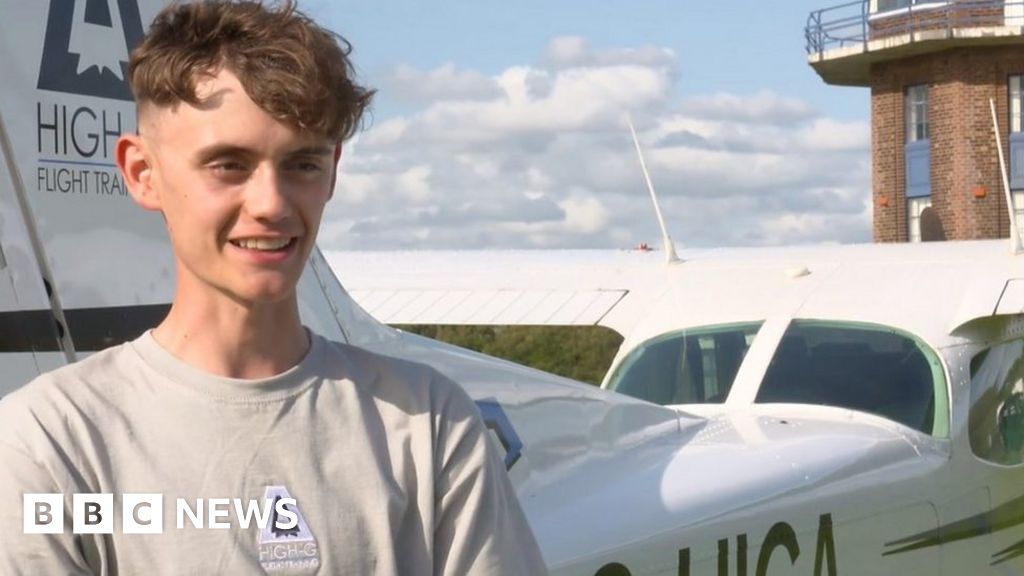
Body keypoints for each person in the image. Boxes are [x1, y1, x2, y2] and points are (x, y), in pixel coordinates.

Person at [0, 1, 548, 574]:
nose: (271, 204)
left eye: (302, 164)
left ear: (332, 171)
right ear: (142, 173)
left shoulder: (430, 425)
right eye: (228, 165)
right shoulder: (51, 444)